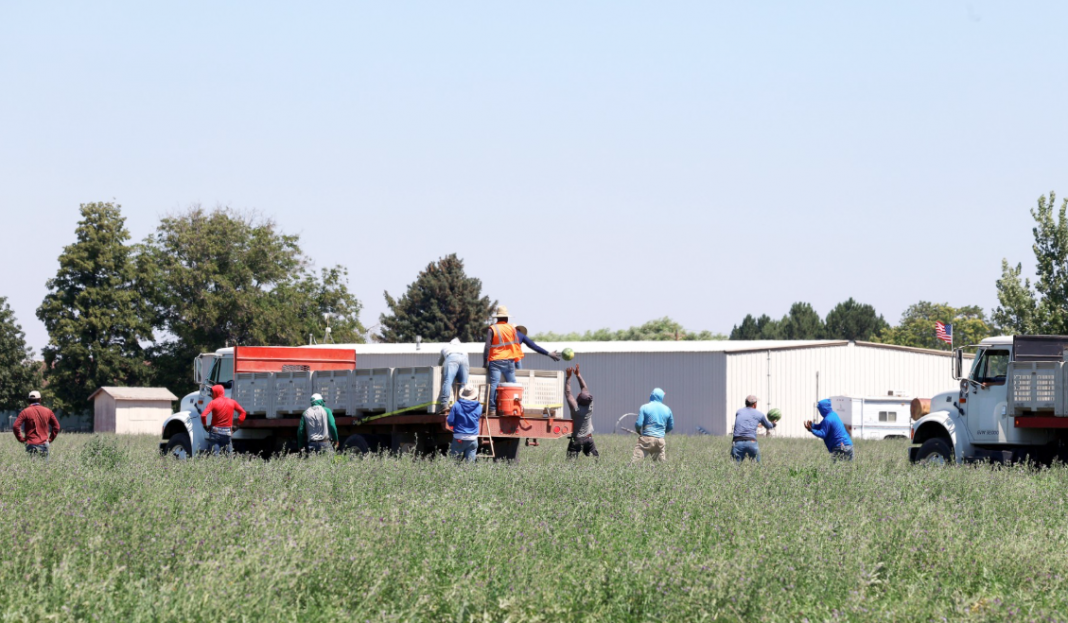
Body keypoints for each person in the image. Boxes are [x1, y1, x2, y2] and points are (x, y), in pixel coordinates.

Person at [483, 306, 560, 414]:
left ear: (497, 318)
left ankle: (492, 409)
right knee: (513, 384)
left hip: (495, 361)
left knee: (494, 384)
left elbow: (487, 346)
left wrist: (485, 362)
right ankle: (514, 407)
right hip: (509, 361)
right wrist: (548, 353)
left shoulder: (492, 328)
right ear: (507, 318)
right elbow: (532, 345)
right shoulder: (513, 330)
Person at [199, 384, 247, 455]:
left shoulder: (213, 403)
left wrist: (205, 426)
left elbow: (203, 415)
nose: (211, 396)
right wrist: (237, 425)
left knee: (215, 457)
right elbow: (243, 412)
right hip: (227, 432)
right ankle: (229, 466)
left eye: (212, 393)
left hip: (215, 433)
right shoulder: (232, 402)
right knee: (229, 458)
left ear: (216, 393)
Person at [13, 390, 60, 457]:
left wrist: (21, 439)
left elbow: (15, 426)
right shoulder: (48, 411)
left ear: (28, 400)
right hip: (44, 443)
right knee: (44, 466)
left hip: (30, 443)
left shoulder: (25, 412)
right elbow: (56, 426)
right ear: (40, 400)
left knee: (31, 466)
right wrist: (50, 439)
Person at [565, 364, 598, 458]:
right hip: (589, 439)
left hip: (577, 440)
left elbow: (568, 393)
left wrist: (568, 377)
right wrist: (578, 375)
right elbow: (584, 388)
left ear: (578, 399)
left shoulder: (576, 410)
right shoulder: (590, 406)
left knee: (570, 463)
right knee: (595, 460)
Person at [632, 388, 674, 462]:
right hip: (660, 441)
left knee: (635, 463)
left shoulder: (644, 407)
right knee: (660, 466)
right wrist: (662, 433)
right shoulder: (667, 409)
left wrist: (638, 431)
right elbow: (671, 426)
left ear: (651, 396)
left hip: (646, 439)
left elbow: (638, 424)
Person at [731, 395, 775, 463]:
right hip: (751, 442)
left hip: (737, 442)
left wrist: (757, 425)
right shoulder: (759, 414)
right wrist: (773, 424)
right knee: (756, 467)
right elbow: (768, 426)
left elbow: (744, 422)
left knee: (735, 468)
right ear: (754, 404)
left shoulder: (739, 412)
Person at [447, 385, 483, 462]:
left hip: (458, 437)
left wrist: (452, 426)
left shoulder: (457, 405)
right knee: (470, 465)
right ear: (475, 395)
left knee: (454, 463)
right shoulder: (479, 406)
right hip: (473, 438)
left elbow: (450, 420)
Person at [437, 337, 470, 415]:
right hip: (464, 359)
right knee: (463, 383)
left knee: (448, 380)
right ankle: (463, 405)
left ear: (450, 342)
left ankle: (444, 404)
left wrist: (440, 368)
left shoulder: (445, 347)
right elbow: (467, 359)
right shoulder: (463, 347)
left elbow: (440, 362)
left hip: (451, 357)